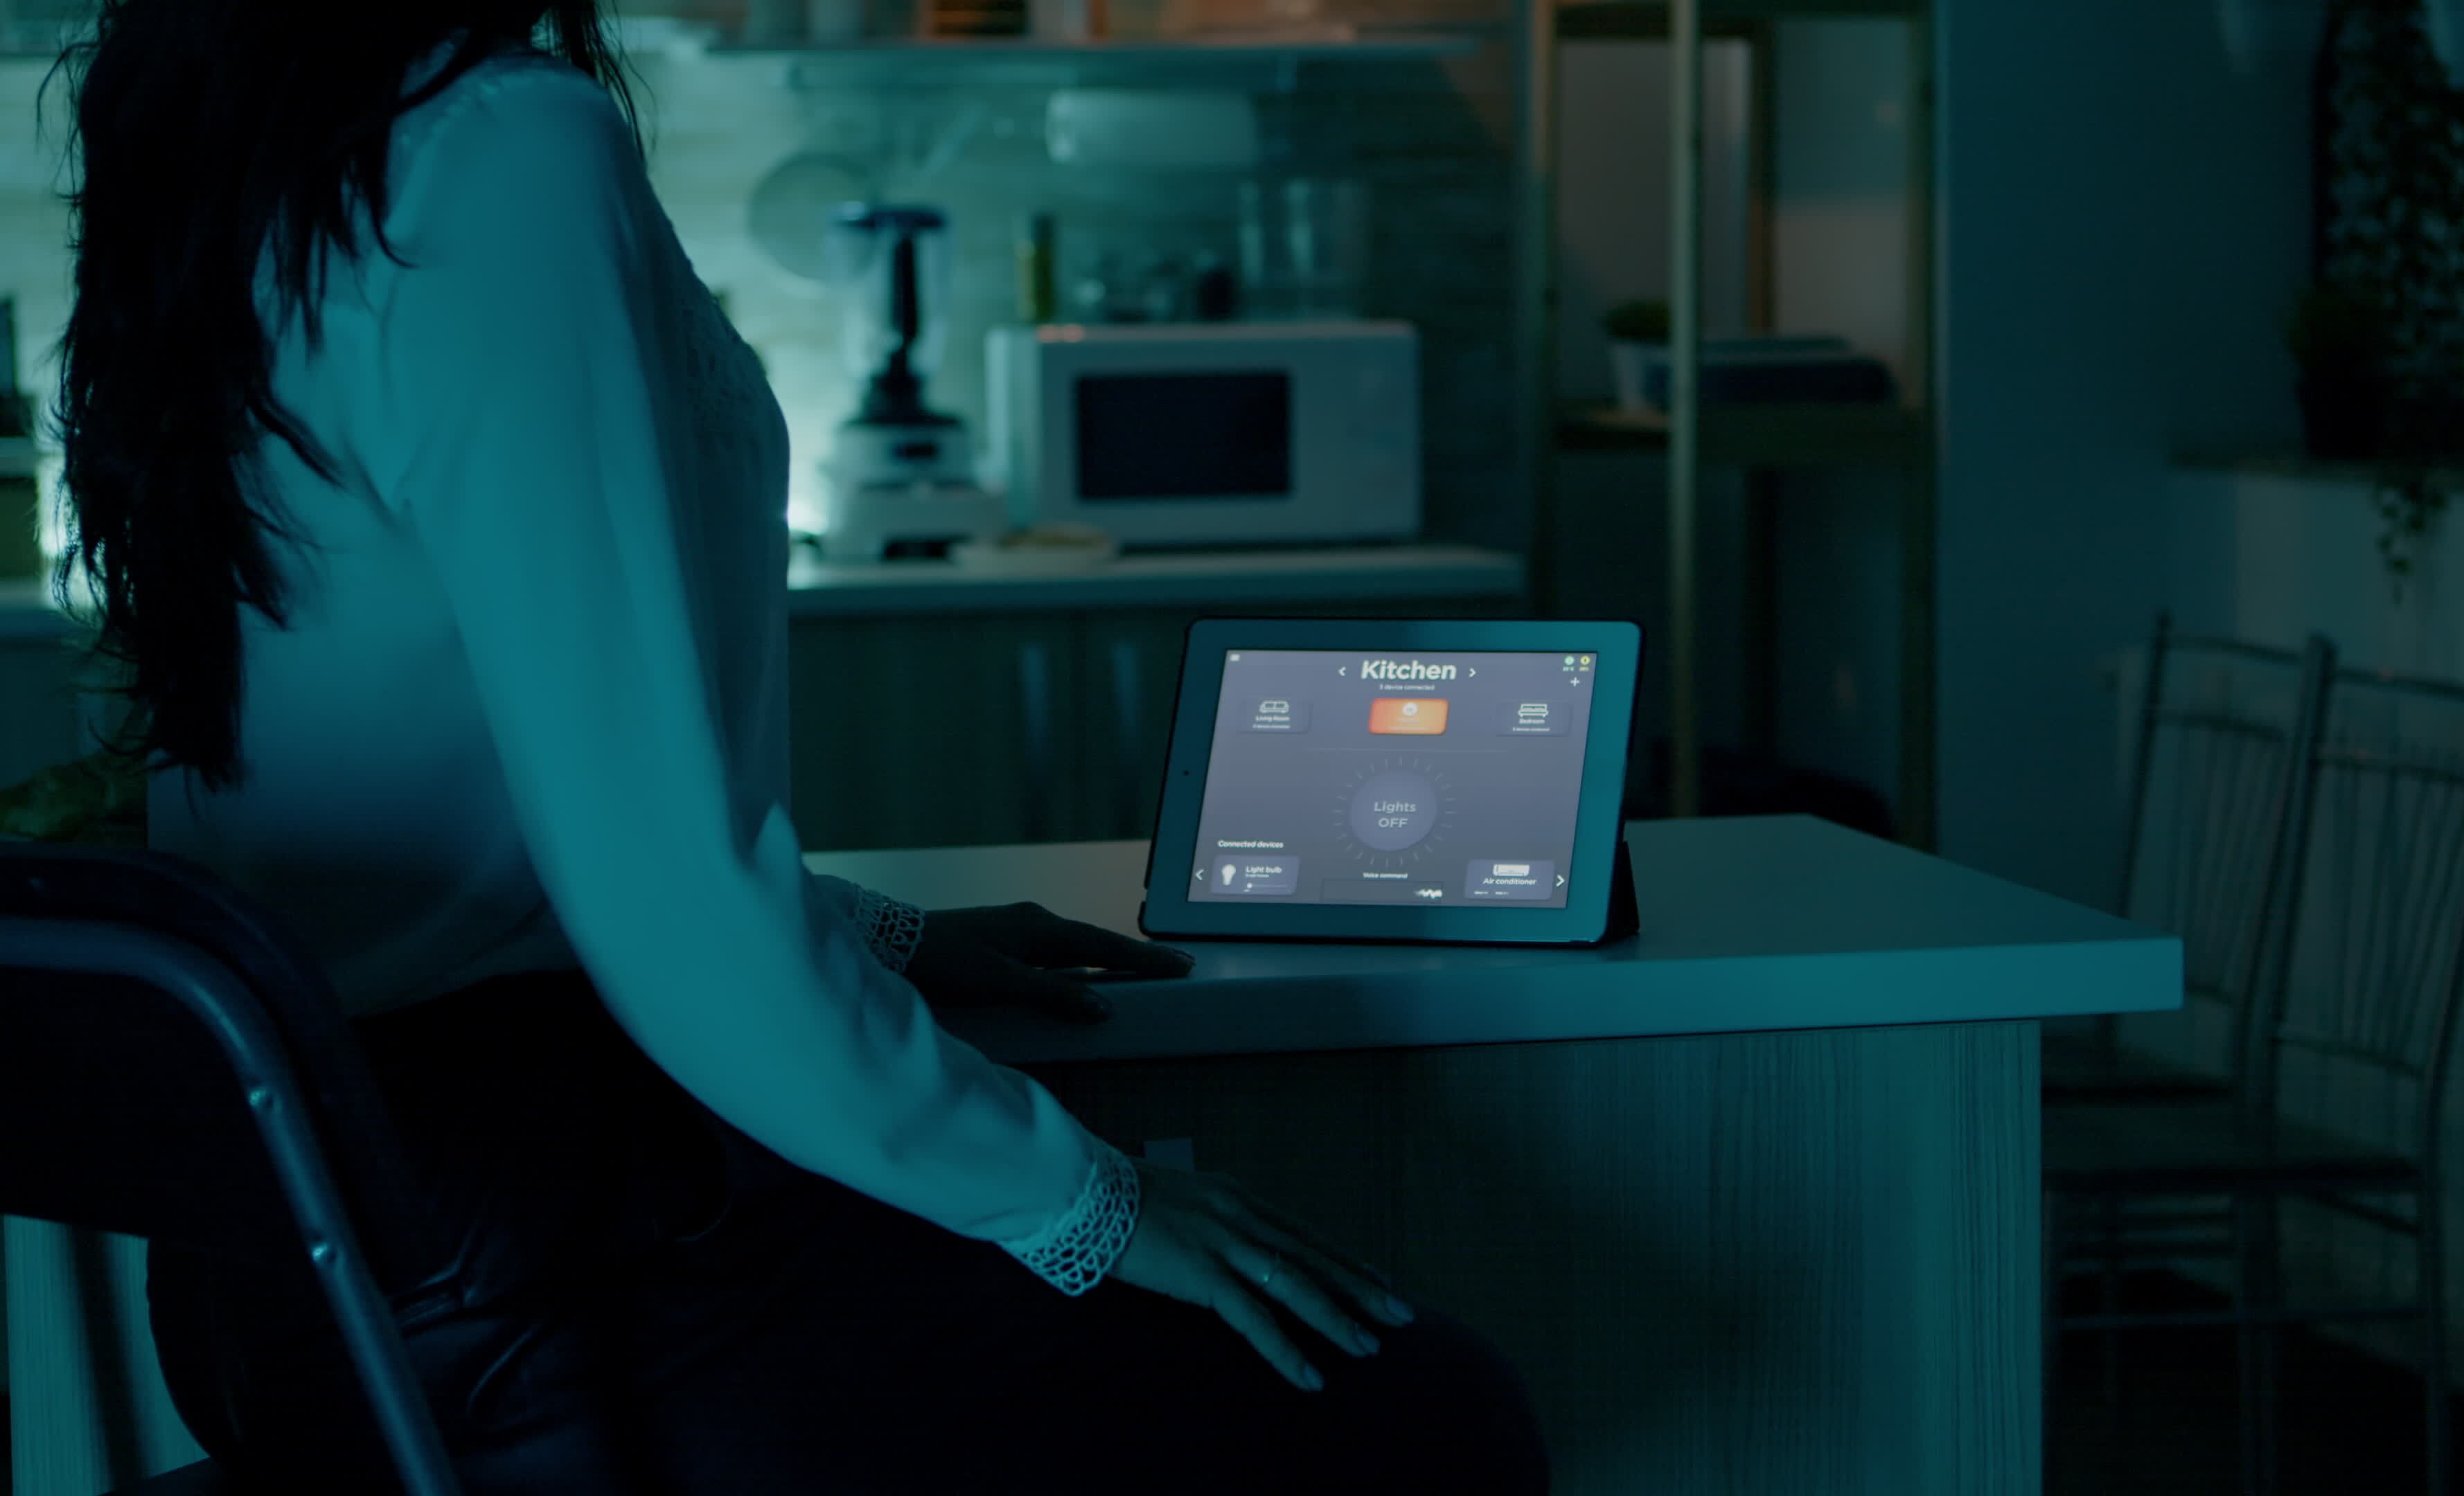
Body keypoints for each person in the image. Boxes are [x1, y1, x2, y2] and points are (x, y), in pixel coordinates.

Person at [42, 1, 1550, 1489]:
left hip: (300, 1251)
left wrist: (874, 932)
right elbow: (654, 883)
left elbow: (474, 817)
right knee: (1429, 1416)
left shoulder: (266, 143)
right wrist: (1076, 1200)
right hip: (521, 1263)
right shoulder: (494, 144)